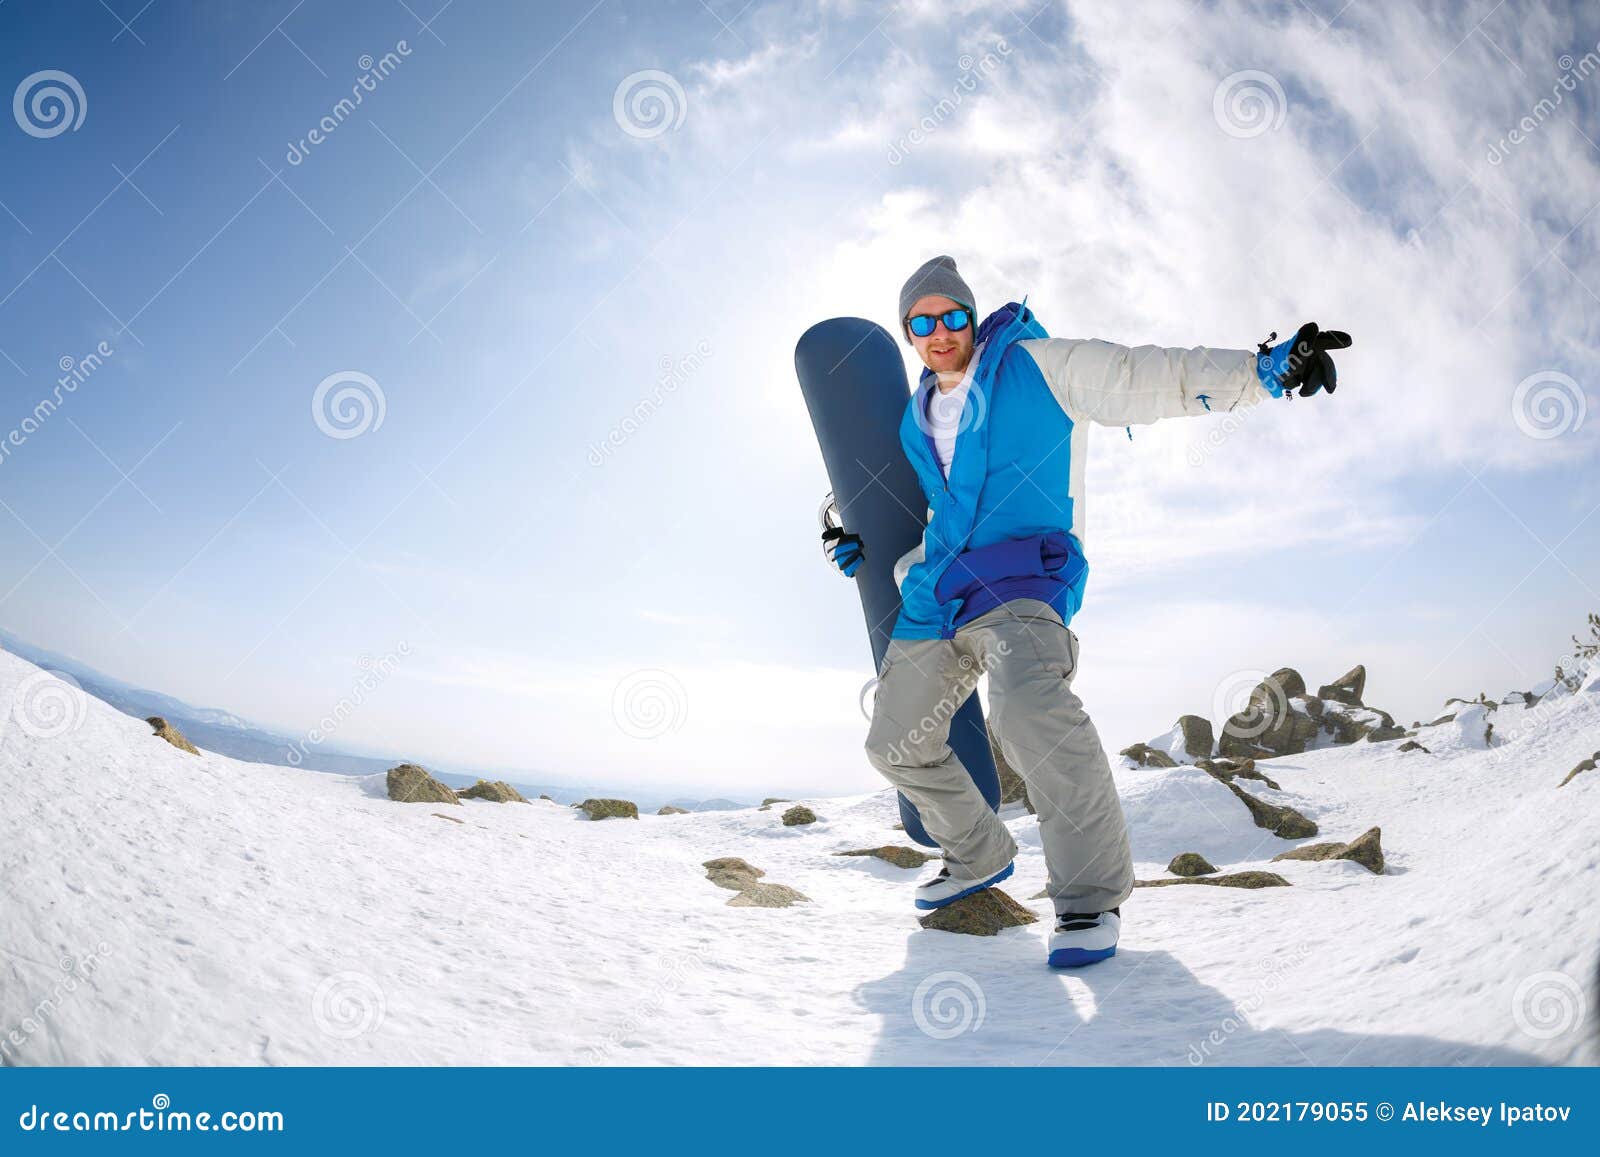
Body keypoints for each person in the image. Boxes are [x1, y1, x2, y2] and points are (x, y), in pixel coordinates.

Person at [825, 255, 1349, 968]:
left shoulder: (1038, 364)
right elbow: (910, 501)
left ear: (974, 320)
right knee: (892, 741)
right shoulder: (916, 421)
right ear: (909, 332)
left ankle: (1088, 897)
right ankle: (977, 853)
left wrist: (1263, 370)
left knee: (1026, 708)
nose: (940, 330)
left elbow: (1148, 375)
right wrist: (852, 533)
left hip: (1021, 582)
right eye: (923, 320)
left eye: (953, 316)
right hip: (937, 591)